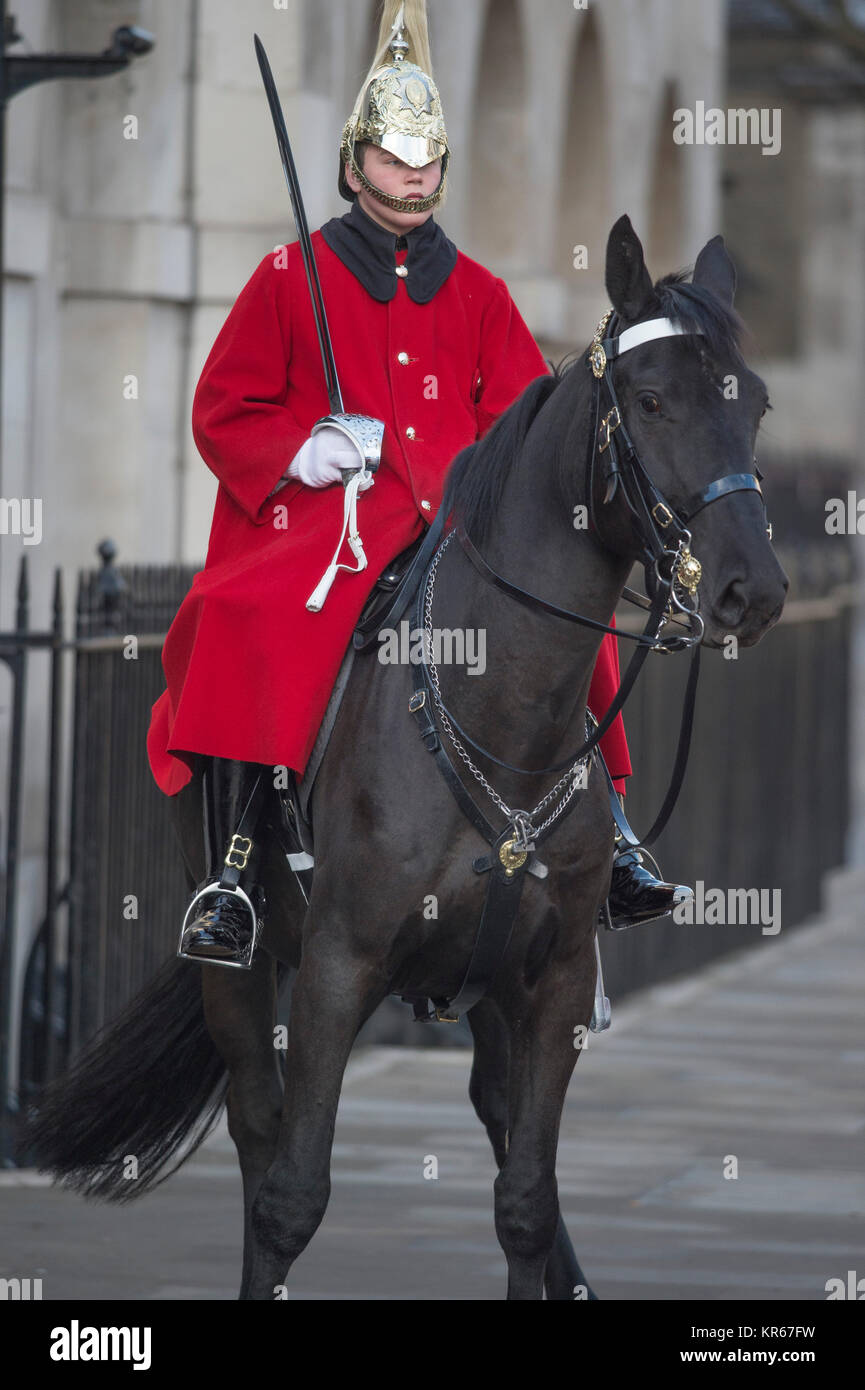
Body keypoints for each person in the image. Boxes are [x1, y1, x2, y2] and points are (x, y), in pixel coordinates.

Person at [146, 0, 688, 966]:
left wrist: (487, 477)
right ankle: (233, 869)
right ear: (357, 164)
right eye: (396, 159)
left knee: (574, 616)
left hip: (459, 521)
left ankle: (614, 823)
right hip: (331, 523)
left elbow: (525, 418)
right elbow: (225, 406)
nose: (414, 177)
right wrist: (306, 450)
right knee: (241, 612)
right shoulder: (288, 275)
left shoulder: (478, 290)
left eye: (427, 160)